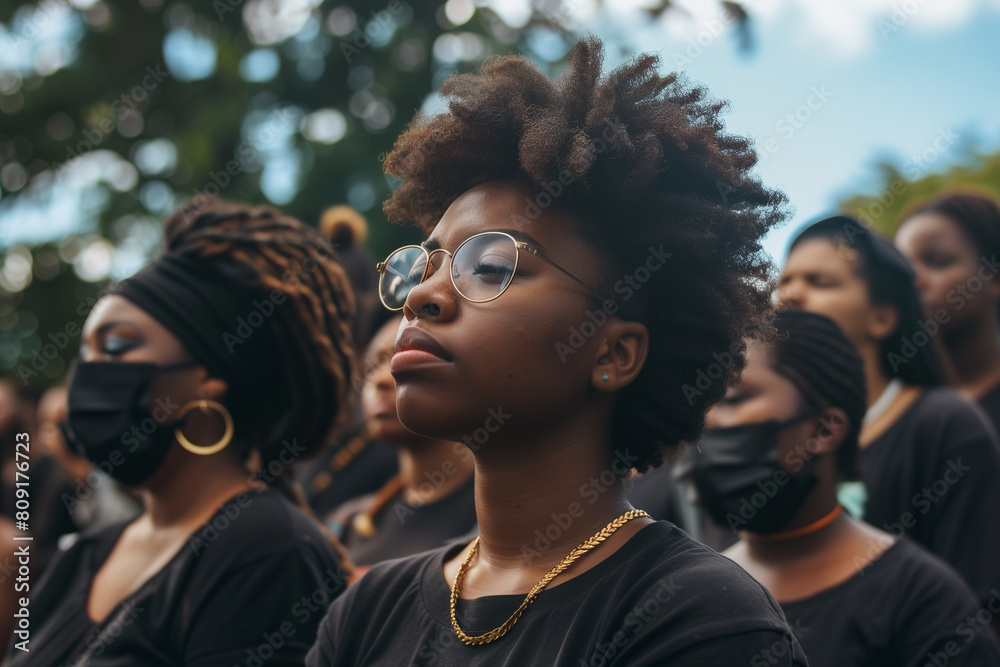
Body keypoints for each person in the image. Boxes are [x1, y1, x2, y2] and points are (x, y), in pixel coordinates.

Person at [307, 36, 806, 666]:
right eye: (423, 266)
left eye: (488, 267)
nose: (422, 297)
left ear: (616, 353)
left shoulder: (701, 619)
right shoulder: (366, 611)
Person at [3, 200, 355, 667]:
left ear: (206, 375)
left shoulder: (265, 547)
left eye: (117, 346)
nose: (87, 377)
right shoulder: (84, 556)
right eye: (85, 356)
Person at [688, 309, 1000, 666]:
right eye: (704, 400)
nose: (707, 420)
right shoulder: (689, 594)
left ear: (825, 429)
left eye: (733, 399)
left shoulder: (920, 601)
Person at [778, 214, 1000, 615]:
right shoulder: (771, 435)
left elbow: (977, 605)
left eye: (819, 282)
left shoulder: (944, 425)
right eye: (785, 280)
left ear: (882, 317)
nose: (791, 295)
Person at [328, 314, 476, 571]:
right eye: (374, 365)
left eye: (408, 356)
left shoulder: (497, 519)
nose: (381, 380)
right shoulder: (346, 524)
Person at [895, 191, 1000, 433]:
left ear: (994, 279)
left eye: (937, 261)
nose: (914, 280)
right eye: (904, 267)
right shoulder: (890, 415)